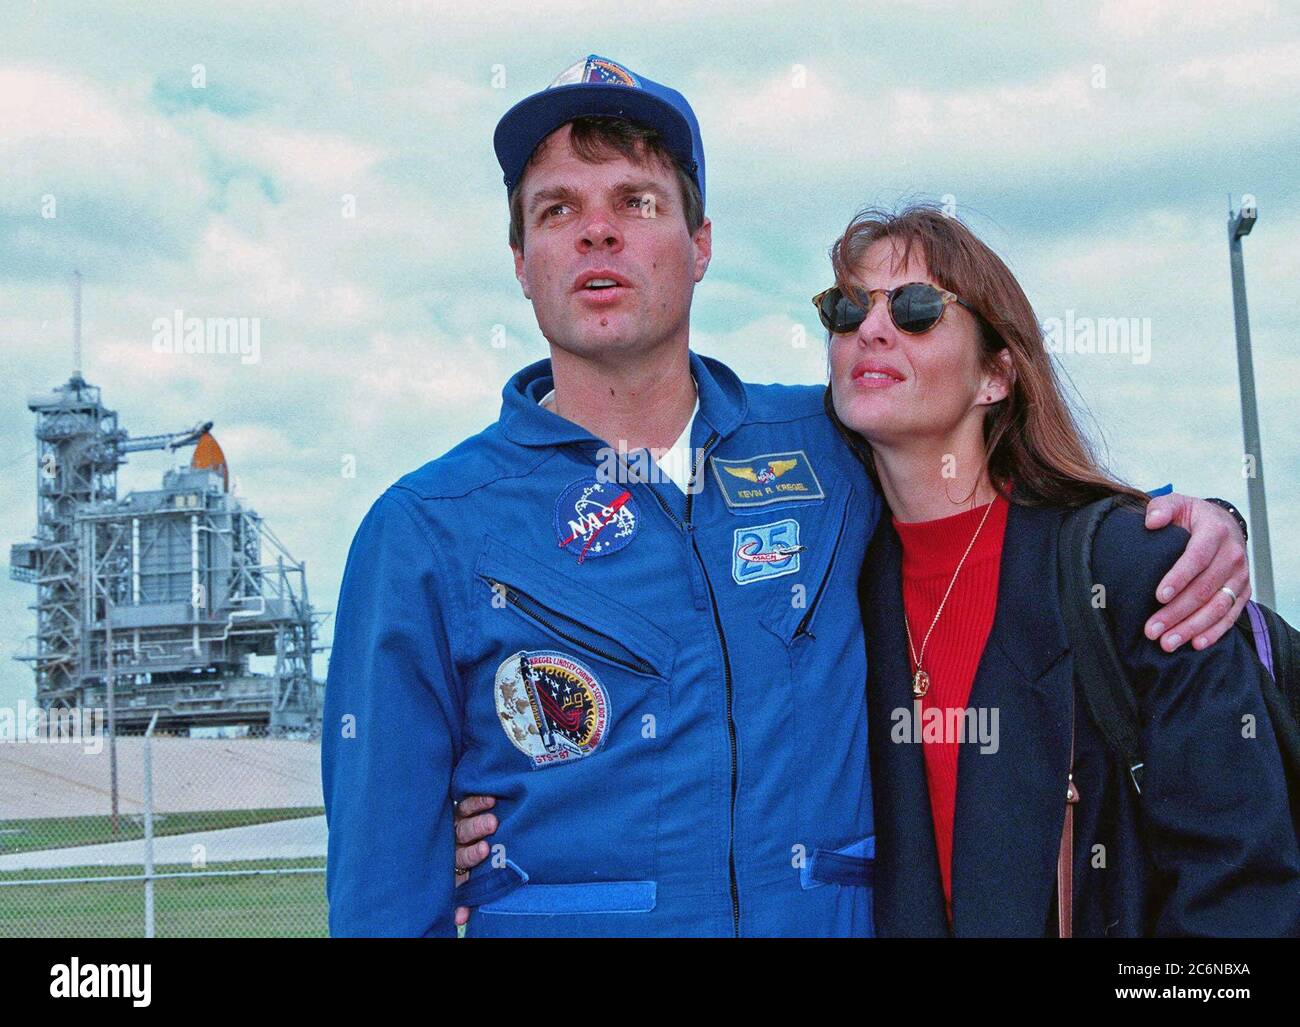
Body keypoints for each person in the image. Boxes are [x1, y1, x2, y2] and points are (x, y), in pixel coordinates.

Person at [323, 56, 1250, 938]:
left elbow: (1001, 485)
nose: (597, 230)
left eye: (636, 202)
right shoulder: (426, 532)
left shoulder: (834, 444)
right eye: (557, 208)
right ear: (522, 262)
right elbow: (381, 891)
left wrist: (1189, 524)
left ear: (700, 246)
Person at [825, 204, 1298, 935]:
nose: (871, 328)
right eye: (848, 307)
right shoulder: (836, 587)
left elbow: (1241, 888)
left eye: (917, 308)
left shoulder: (1140, 571)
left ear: (995, 376)